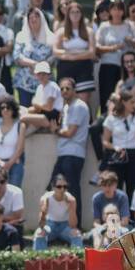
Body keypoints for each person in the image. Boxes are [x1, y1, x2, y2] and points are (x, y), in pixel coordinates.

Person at [52, 78, 90, 211]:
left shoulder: (79, 106)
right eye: (61, 89)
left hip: (73, 155)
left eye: (67, 88)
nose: (64, 91)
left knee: (72, 190)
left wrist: (55, 129)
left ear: (75, 90)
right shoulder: (67, 107)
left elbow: (69, 133)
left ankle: (76, 227)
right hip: (64, 154)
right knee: (54, 188)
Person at [53, 1, 96, 112]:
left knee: (83, 100)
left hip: (84, 68)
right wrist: (77, 54)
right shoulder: (62, 31)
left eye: (78, 12)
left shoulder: (89, 31)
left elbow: (92, 52)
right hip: (65, 68)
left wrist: (71, 55)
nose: (75, 14)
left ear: (82, 14)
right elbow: (55, 51)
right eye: (72, 12)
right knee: (65, 98)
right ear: (68, 14)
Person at [101, 90, 135, 198]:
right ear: (123, 103)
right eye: (131, 102)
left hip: (134, 154)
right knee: (116, 188)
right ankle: (116, 214)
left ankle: (133, 214)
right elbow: (105, 141)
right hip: (119, 154)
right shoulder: (112, 119)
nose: (134, 105)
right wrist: (115, 147)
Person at [33, 175, 82, 249]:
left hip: (65, 225)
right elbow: (41, 225)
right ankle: (39, 258)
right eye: (59, 187)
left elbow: (73, 225)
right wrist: (43, 212)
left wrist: (71, 207)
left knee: (77, 234)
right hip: (50, 225)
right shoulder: (46, 198)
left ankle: (78, 257)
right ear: (53, 187)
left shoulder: (71, 199)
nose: (62, 189)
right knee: (39, 234)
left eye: (65, 187)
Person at [0, 99, 26, 187]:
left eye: (8, 107)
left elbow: (20, 149)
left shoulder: (20, 126)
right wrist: (1, 163)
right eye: (2, 108)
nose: (5, 110)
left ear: (13, 110)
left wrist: (9, 163)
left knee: (14, 192)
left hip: (15, 164)